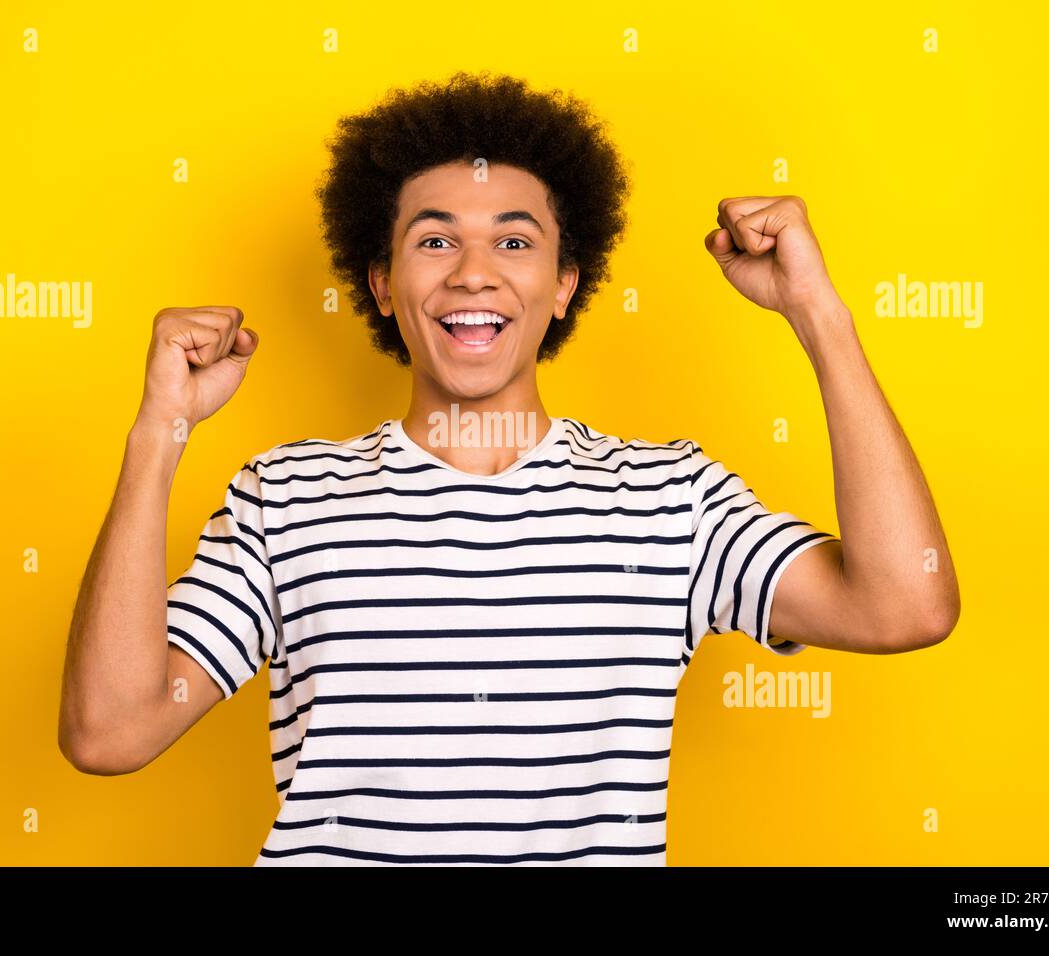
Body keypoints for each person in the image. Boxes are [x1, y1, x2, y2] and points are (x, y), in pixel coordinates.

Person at [58, 71, 959, 866]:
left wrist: (817, 314)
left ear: (566, 284)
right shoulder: (284, 496)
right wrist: (159, 430)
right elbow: (109, 731)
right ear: (381, 282)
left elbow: (904, 605)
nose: (475, 274)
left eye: (517, 242)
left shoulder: (672, 500)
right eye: (437, 240)